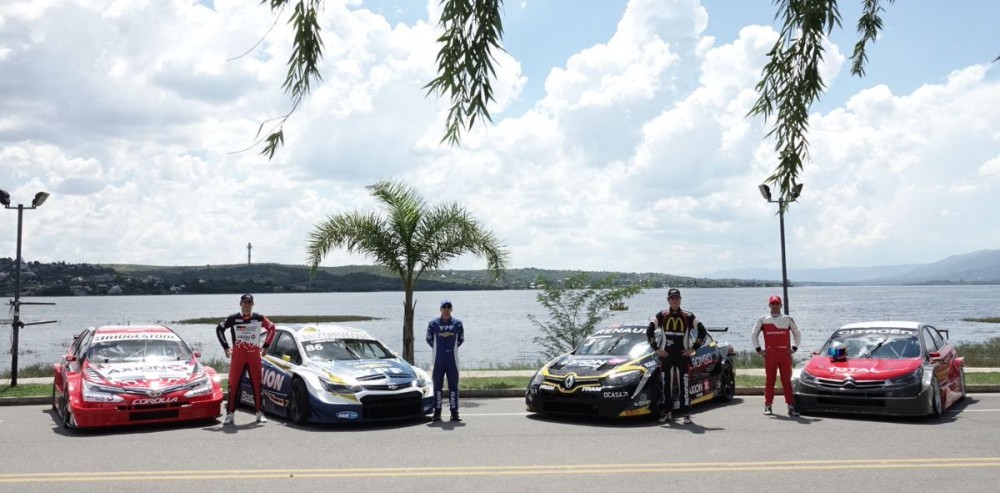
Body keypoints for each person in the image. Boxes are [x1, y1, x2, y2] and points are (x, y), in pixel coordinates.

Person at [646, 288, 707, 425]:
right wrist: (656, 349)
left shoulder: (688, 315)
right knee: (666, 386)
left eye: (677, 298)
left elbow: (702, 331)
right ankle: (667, 413)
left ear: (680, 300)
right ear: (668, 300)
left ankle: (686, 414)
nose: (674, 300)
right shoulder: (662, 314)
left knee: (683, 386)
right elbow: (649, 330)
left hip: (682, 357)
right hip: (666, 356)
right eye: (672, 298)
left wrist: (693, 349)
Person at [215, 293, 276, 425]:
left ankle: (259, 413)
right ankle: (230, 414)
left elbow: (272, 328)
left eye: (249, 302)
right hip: (238, 355)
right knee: (233, 384)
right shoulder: (233, 318)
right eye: (245, 302)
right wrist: (225, 347)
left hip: (254, 354)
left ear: (253, 304)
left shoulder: (258, 318)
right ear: (240, 304)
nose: (247, 305)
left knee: (257, 383)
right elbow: (219, 329)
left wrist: (265, 346)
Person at [751, 295, 803, 417]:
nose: (775, 306)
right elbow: (754, 335)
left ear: (781, 305)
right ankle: (768, 405)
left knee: (787, 381)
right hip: (770, 355)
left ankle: (790, 406)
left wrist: (794, 348)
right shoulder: (763, 320)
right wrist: (759, 350)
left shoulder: (788, 319)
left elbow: (797, 334)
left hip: (784, 354)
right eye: (773, 304)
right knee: (770, 381)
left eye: (777, 303)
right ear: (769, 305)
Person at [426, 298, 465, 422]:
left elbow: (461, 339)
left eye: (449, 307)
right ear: (440, 309)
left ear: (451, 309)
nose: (446, 310)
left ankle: (454, 412)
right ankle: (437, 412)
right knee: (437, 387)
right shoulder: (433, 324)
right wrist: (437, 348)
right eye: (444, 307)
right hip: (438, 359)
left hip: (452, 359)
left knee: (454, 387)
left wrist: (452, 348)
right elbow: (428, 339)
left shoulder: (458, 324)